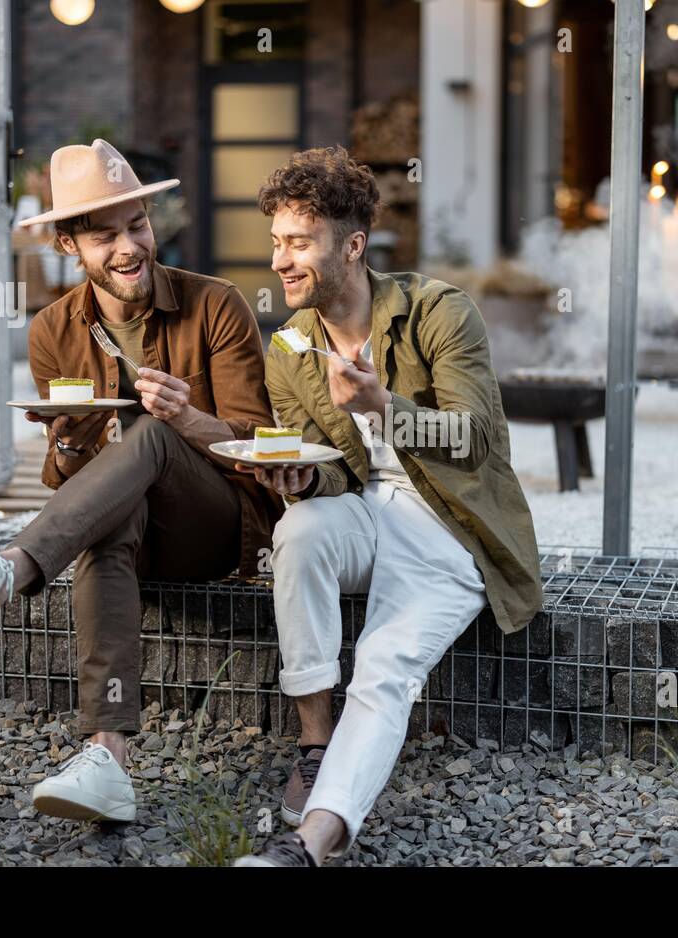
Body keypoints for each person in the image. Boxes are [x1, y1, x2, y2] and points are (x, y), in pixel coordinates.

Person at [0, 139, 282, 823]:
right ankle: (107, 758)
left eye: (137, 225)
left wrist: (188, 419)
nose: (127, 247)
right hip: (133, 530)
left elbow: (263, 454)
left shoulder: (217, 306)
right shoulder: (54, 328)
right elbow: (70, 481)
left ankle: (9, 568)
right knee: (110, 522)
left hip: (222, 526)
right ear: (68, 247)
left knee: (151, 433)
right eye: (104, 234)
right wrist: (70, 438)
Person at [232, 147, 543, 866]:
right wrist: (300, 482)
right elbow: (331, 466)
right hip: (365, 512)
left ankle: (312, 841)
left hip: (448, 523)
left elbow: (476, 440)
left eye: (298, 243)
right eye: (276, 242)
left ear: (352, 246)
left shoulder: (439, 310)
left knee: (383, 663)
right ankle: (315, 741)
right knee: (300, 530)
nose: (280, 261)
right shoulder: (290, 345)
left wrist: (385, 406)